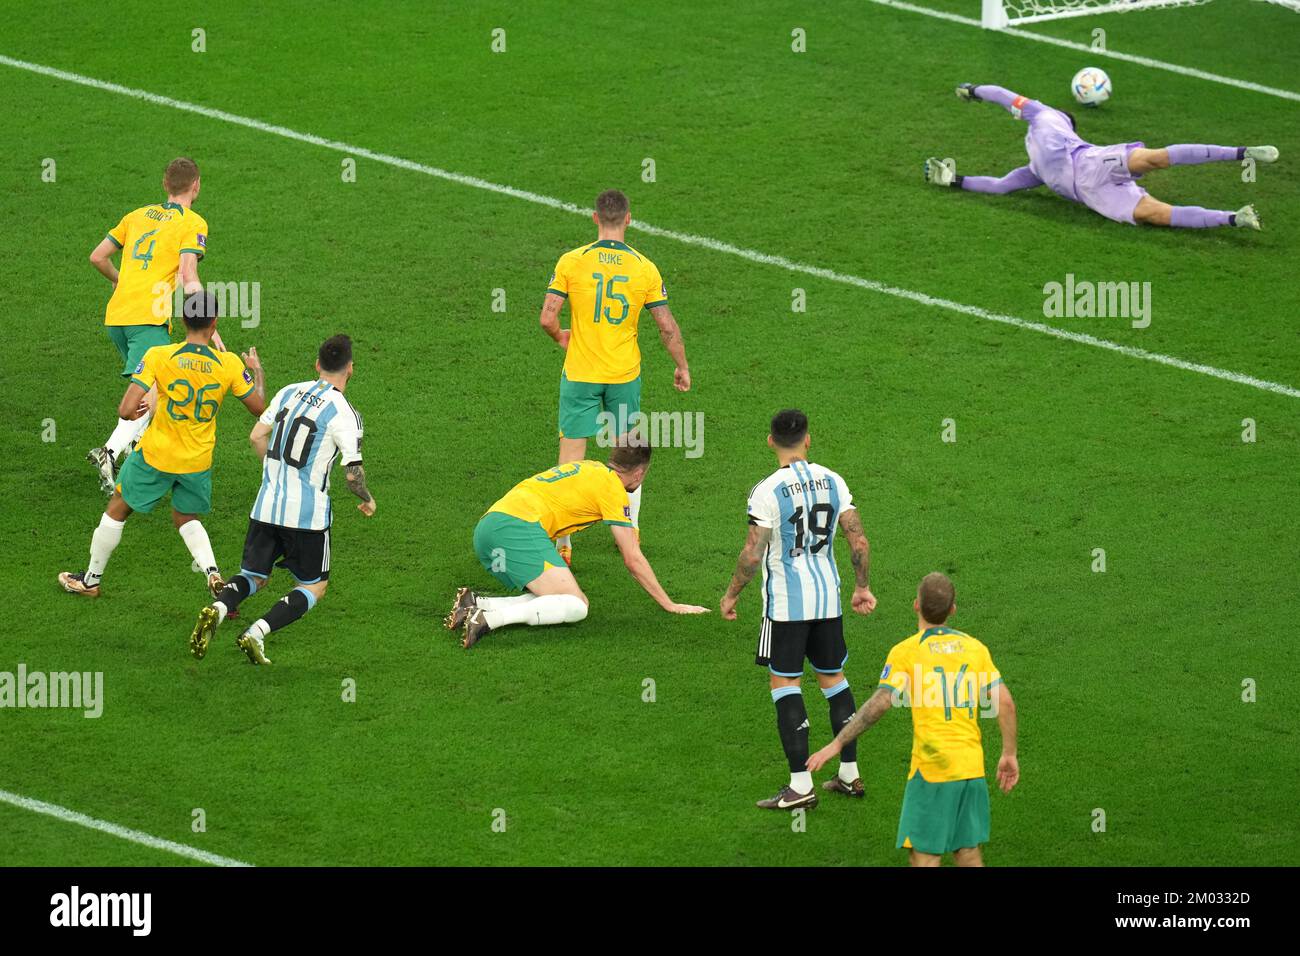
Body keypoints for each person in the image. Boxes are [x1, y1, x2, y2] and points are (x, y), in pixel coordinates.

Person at [59, 291, 264, 597]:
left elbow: (126, 411)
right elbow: (260, 408)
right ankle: (212, 573)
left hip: (156, 455)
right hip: (197, 460)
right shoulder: (230, 364)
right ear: (215, 323)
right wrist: (256, 371)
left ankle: (90, 581)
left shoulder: (159, 355)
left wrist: (142, 408)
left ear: (183, 320)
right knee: (185, 517)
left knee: (117, 509)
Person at [720, 409, 876, 811]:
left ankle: (800, 785)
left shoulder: (767, 491)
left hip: (787, 607)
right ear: (808, 439)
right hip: (828, 599)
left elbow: (753, 555)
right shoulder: (834, 480)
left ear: (770, 441)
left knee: (784, 685)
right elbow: (858, 543)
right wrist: (862, 587)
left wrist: (732, 594)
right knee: (834, 680)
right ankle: (849, 773)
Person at [808, 573, 1020, 866]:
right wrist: (1009, 754)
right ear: (953, 609)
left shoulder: (906, 652)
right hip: (971, 771)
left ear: (915, 605)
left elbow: (879, 704)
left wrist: (837, 744)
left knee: (924, 856)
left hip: (932, 771)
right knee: (967, 852)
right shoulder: (975, 649)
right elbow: (1006, 702)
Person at [189, 335, 373, 665]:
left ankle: (218, 610)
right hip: (307, 516)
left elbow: (257, 435)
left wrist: (272, 473)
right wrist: (367, 499)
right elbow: (352, 473)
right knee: (314, 586)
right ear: (351, 369)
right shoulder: (345, 413)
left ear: (317, 365)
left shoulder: (289, 391)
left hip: (266, 503)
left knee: (253, 576)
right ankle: (255, 633)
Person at [538, 188, 692, 565]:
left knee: (571, 458)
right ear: (628, 219)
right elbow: (666, 326)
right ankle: (630, 530)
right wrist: (682, 366)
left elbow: (547, 316)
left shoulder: (573, 261)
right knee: (629, 451)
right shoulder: (644, 267)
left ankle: (563, 542)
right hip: (624, 375)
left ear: (595, 218)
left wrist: (561, 337)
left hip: (580, 373)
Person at [447, 436, 708, 649]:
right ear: (639, 474)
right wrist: (669, 604)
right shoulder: (613, 490)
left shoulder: (589, 467)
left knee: (557, 595)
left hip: (489, 528)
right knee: (576, 605)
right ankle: (491, 619)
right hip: (516, 528)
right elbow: (632, 557)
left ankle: (478, 603)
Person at [925, 83, 1278, 230]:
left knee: (1153, 158)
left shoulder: (1045, 115)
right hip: (1093, 195)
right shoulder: (1035, 171)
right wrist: (956, 180)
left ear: (1067, 120)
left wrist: (974, 91)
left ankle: (1243, 153)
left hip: (1090, 161)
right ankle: (1234, 218)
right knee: (1154, 213)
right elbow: (1001, 187)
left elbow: (1002, 95)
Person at [86, 157, 222, 493]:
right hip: (147, 321)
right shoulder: (193, 222)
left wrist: (121, 283)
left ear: (165, 185)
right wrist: (209, 326)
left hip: (117, 318)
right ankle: (110, 452)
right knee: (151, 397)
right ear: (197, 185)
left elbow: (97, 257)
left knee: (155, 392)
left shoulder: (136, 216)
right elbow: (188, 275)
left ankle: (138, 449)